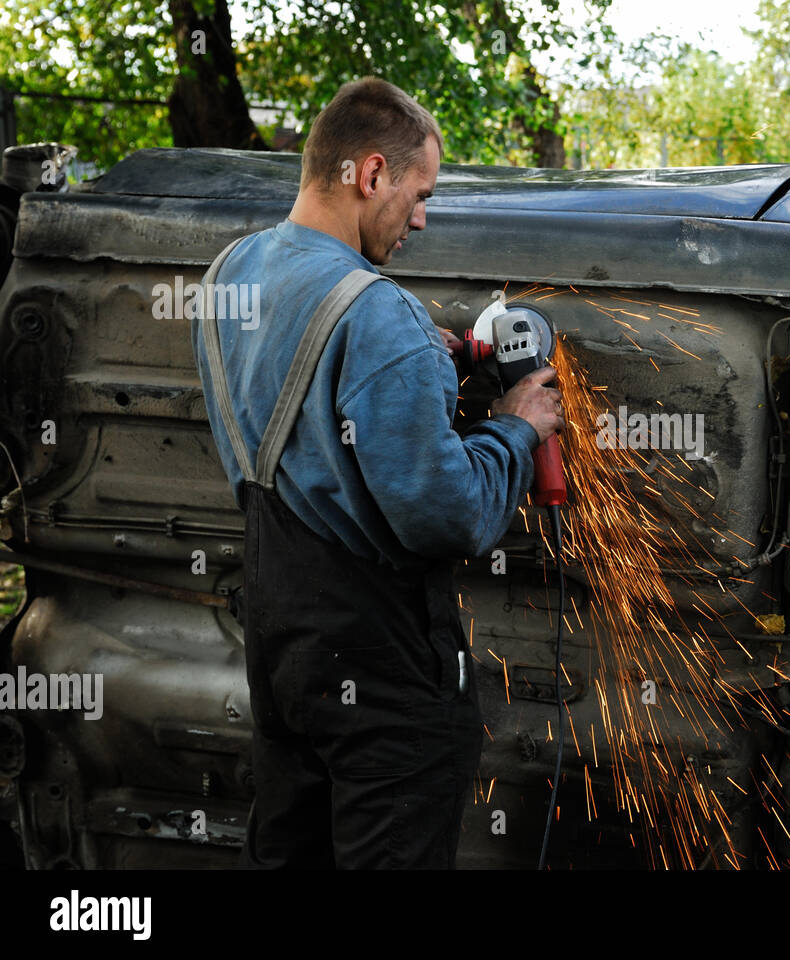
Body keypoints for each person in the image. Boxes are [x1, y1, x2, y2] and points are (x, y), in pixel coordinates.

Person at [190, 77, 564, 868]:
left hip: (282, 654)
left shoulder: (231, 274)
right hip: (384, 677)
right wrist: (516, 431)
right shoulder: (376, 312)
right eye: (419, 193)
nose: (422, 217)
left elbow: (309, 402)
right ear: (369, 176)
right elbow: (448, 514)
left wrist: (436, 355)